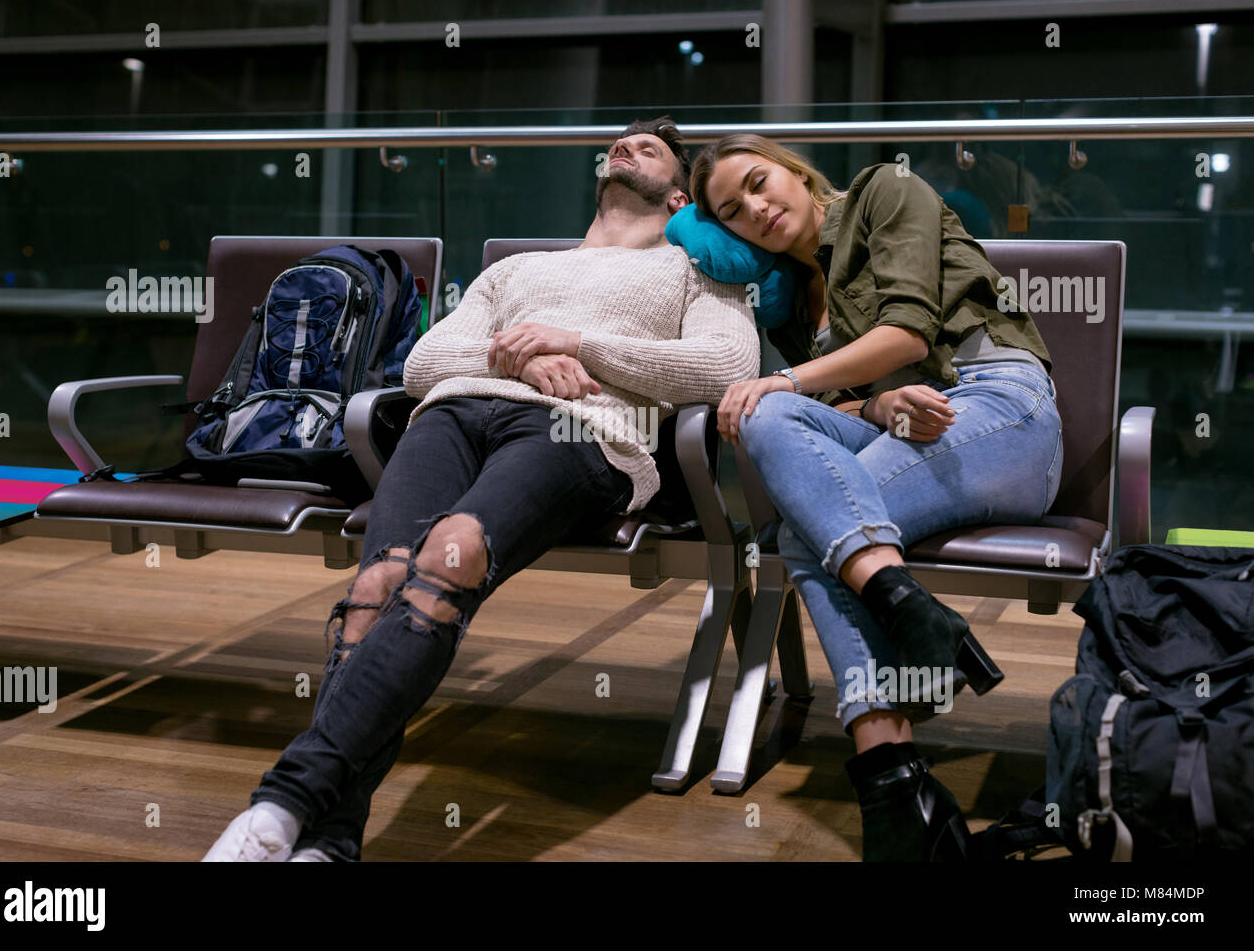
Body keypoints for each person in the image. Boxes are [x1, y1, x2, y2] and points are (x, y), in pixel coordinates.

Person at [201, 116, 759, 861]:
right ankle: (329, 842)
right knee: (376, 591)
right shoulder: (517, 269)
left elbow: (724, 367)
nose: (624, 148)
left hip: (578, 431)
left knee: (449, 558)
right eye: (618, 143)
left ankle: (280, 806)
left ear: (682, 193)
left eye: (648, 148)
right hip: (453, 414)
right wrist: (522, 361)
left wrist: (578, 345)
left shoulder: (696, 272)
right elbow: (426, 361)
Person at [690, 135, 1063, 861]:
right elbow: (852, 410)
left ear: (797, 172)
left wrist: (793, 380)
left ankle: (895, 781)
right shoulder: (793, 305)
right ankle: (902, 659)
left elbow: (909, 332)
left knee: (804, 520)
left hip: (1000, 410)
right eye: (732, 212)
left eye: (762, 184)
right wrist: (877, 401)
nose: (757, 211)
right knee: (770, 424)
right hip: (910, 430)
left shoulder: (884, 193)